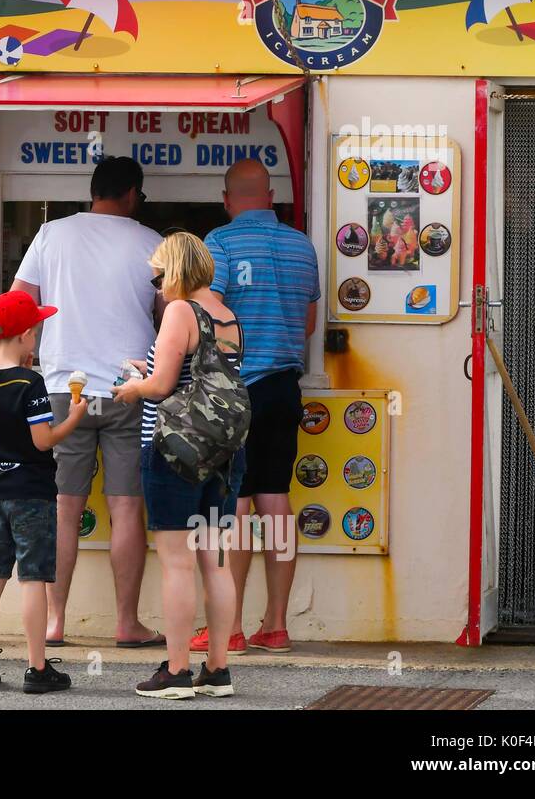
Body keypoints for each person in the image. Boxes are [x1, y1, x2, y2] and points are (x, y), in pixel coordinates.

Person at [11, 156, 165, 647]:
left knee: (64, 509)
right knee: (126, 509)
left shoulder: (52, 234)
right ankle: (126, 623)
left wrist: (27, 351)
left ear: (93, 191)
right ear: (132, 194)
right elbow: (170, 314)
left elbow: (18, 302)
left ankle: (55, 623)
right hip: (129, 388)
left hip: (65, 388)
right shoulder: (151, 243)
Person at [113, 232, 244, 699]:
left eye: (159, 274)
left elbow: (163, 385)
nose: (156, 285)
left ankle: (177, 671)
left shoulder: (180, 311)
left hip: (175, 450)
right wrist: (146, 372)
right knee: (215, 560)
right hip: (223, 453)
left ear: (176, 271)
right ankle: (218, 669)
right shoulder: (226, 315)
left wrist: (133, 387)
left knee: (176, 563)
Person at [199, 158, 320, 655]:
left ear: (227, 200)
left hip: (236, 388)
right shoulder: (301, 244)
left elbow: (212, 312)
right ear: (270, 196)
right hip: (283, 389)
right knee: (275, 498)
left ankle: (229, 630)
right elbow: (309, 324)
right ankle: (277, 625)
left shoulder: (219, 242)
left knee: (236, 506)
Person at [0, 290, 86, 695]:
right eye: (35, 330)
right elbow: (41, 440)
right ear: (24, 337)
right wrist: (74, 418)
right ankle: (37, 668)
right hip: (32, 493)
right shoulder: (31, 383)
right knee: (33, 578)